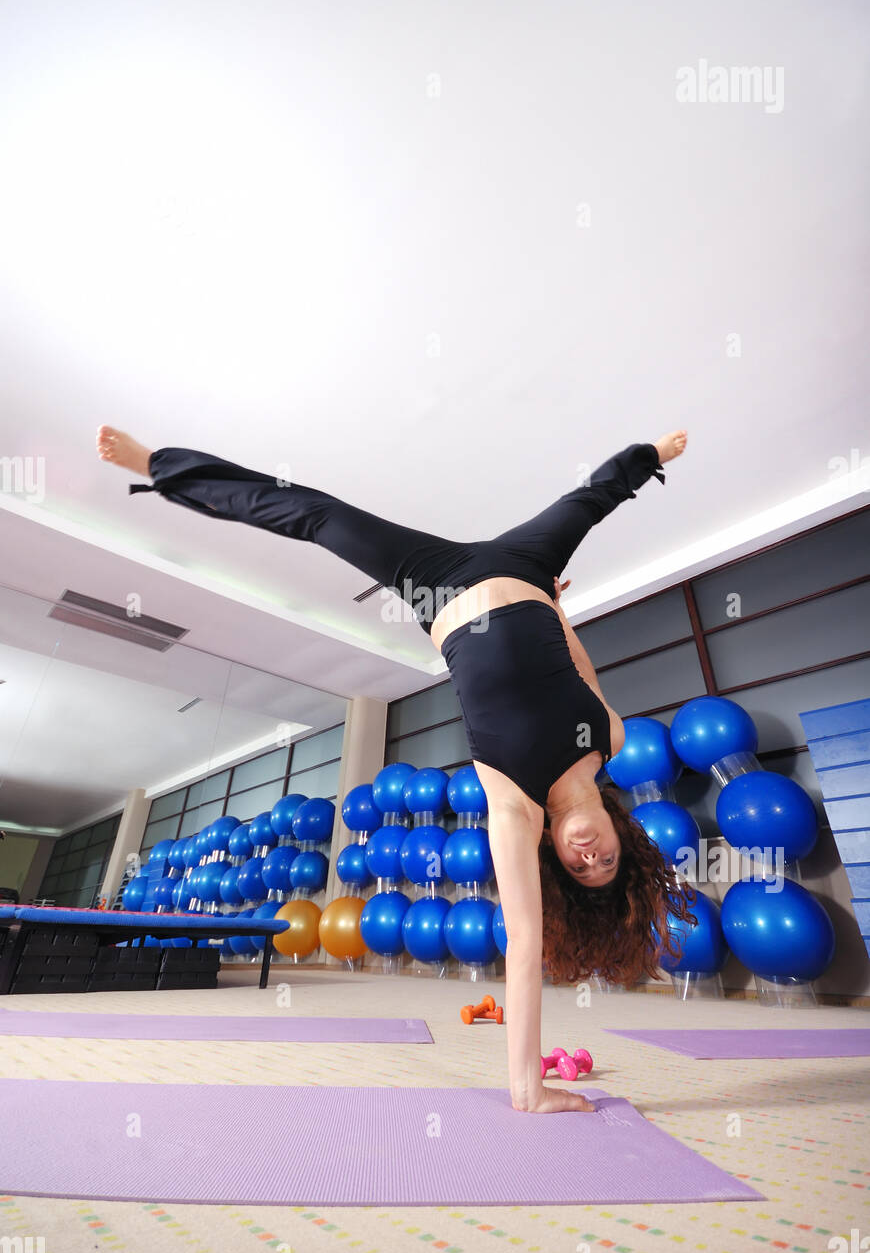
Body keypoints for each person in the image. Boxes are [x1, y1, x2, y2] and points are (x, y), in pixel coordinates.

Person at [97, 425, 694, 1114]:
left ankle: (158, 468)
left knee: (318, 515)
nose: (590, 857)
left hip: (442, 590)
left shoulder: (515, 812)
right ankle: (651, 454)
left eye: (579, 867)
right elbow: (583, 672)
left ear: (556, 854)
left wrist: (528, 1090)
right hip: (526, 570)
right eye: (607, 862)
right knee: (597, 494)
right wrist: (556, 607)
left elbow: (525, 947)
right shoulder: (608, 739)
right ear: (623, 836)